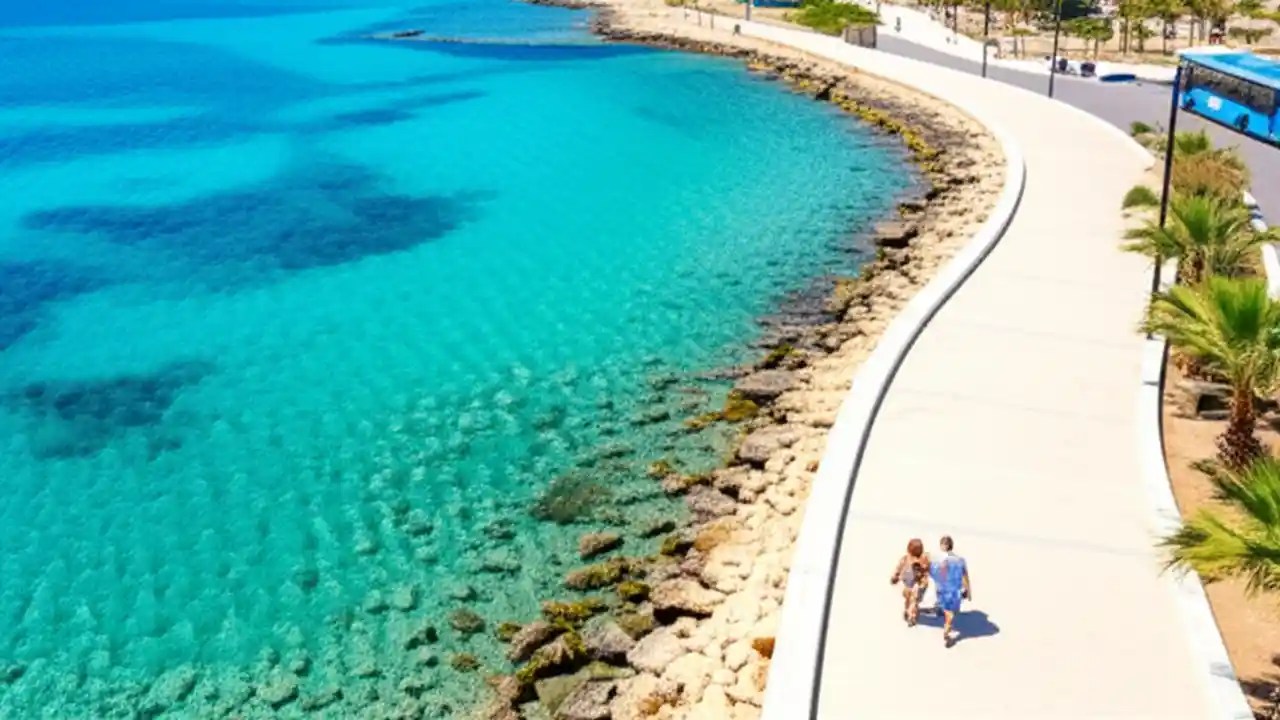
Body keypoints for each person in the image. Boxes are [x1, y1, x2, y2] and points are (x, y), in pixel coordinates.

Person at [929, 535, 971, 647]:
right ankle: (947, 629)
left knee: (946, 608)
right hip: (955, 591)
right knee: (951, 611)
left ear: (942, 546)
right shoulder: (960, 560)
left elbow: (936, 574)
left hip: (943, 589)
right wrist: (968, 591)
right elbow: (965, 576)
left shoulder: (939, 560)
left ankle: (944, 620)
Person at [889, 538, 929, 626]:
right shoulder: (921, 559)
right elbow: (899, 567)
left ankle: (910, 614)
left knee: (912, 600)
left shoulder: (910, 558)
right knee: (911, 600)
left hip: (913, 583)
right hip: (914, 584)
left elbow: (899, 568)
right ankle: (910, 613)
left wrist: (895, 577)